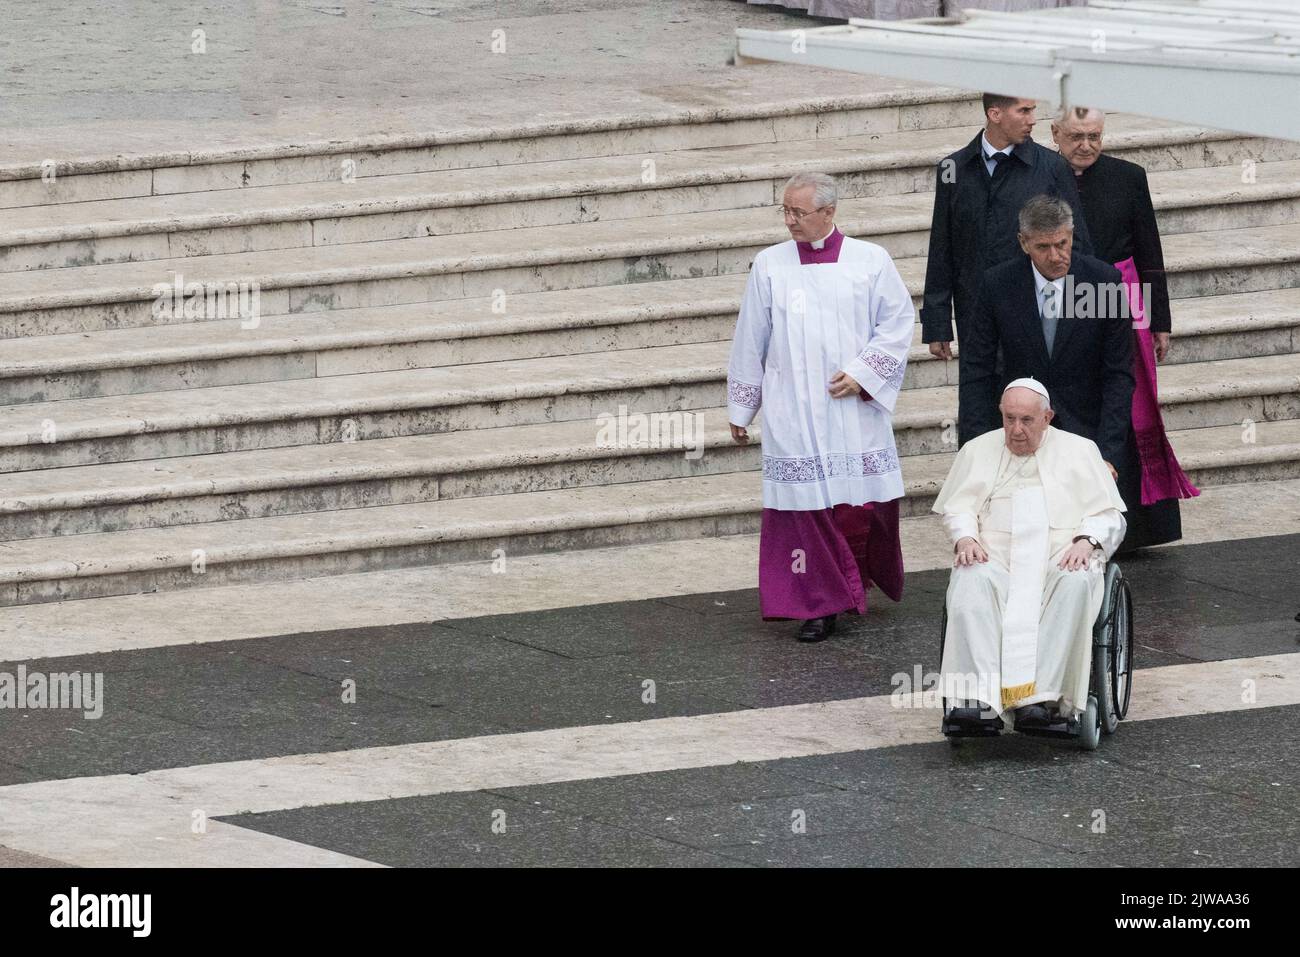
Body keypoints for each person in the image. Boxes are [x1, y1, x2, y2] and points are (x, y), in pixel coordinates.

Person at [728, 171, 913, 642]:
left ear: (829, 212)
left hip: (852, 409)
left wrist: (864, 373)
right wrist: (742, 407)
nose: (789, 220)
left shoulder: (871, 260)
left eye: (798, 212)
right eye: (785, 210)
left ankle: (852, 586)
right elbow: (751, 337)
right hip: (793, 407)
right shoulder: (769, 264)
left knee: (856, 507)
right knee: (804, 509)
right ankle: (818, 604)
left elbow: (896, 323)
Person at [934, 380, 1126, 728]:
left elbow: (1109, 514)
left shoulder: (1081, 450)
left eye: (1026, 420)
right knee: (969, 578)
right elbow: (958, 507)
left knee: (1075, 582)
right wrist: (966, 539)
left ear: (1048, 417)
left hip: (1059, 553)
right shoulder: (977, 450)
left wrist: (1087, 541)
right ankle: (978, 699)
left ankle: (1044, 699)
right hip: (996, 554)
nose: (1016, 430)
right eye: (1009, 419)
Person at [1051, 105, 1199, 551]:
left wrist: (1160, 321)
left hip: (1120, 294)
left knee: (1127, 403)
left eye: (1095, 136)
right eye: (1077, 136)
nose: (1087, 145)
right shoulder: (1040, 174)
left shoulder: (1128, 176)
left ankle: (1137, 528)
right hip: (1063, 293)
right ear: (1055, 133)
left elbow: (1149, 248)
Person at [921, 93, 1093, 447]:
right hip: (974, 316)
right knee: (979, 412)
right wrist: (937, 321)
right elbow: (943, 246)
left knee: (1029, 409)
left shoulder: (1050, 167)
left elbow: (1076, 245)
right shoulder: (953, 168)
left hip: (1033, 316)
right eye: (1025, 111)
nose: (1032, 119)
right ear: (995, 113)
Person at [958, 194, 1135, 484]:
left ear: (1071, 235)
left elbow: (1119, 374)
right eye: (1043, 247)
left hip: (1086, 433)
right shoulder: (997, 285)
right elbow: (977, 369)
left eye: (1061, 244)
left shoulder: (1105, 282)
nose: (1055, 256)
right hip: (1018, 436)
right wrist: (977, 447)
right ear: (1023, 242)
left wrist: (1108, 453)